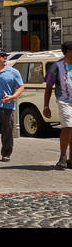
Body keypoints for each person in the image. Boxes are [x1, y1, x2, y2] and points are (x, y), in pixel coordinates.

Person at [42, 40, 72, 170]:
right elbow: (48, 87)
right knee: (67, 126)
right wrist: (46, 106)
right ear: (69, 52)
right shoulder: (57, 66)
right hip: (64, 100)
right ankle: (62, 157)